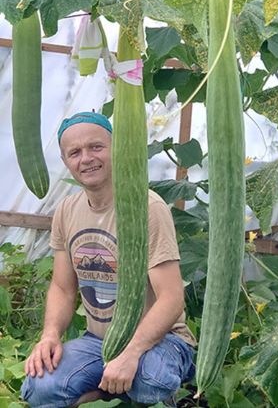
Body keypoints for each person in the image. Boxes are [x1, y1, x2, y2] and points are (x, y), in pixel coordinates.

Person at [21, 112, 196, 407]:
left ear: (116, 148)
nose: (86, 158)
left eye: (96, 147)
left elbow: (171, 298)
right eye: (74, 152)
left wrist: (131, 353)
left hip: (163, 340)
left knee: (150, 381)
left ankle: (146, 387)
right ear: (66, 161)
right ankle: (108, 386)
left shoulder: (148, 207)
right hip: (98, 341)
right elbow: (63, 288)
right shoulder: (66, 211)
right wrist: (50, 335)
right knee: (40, 387)